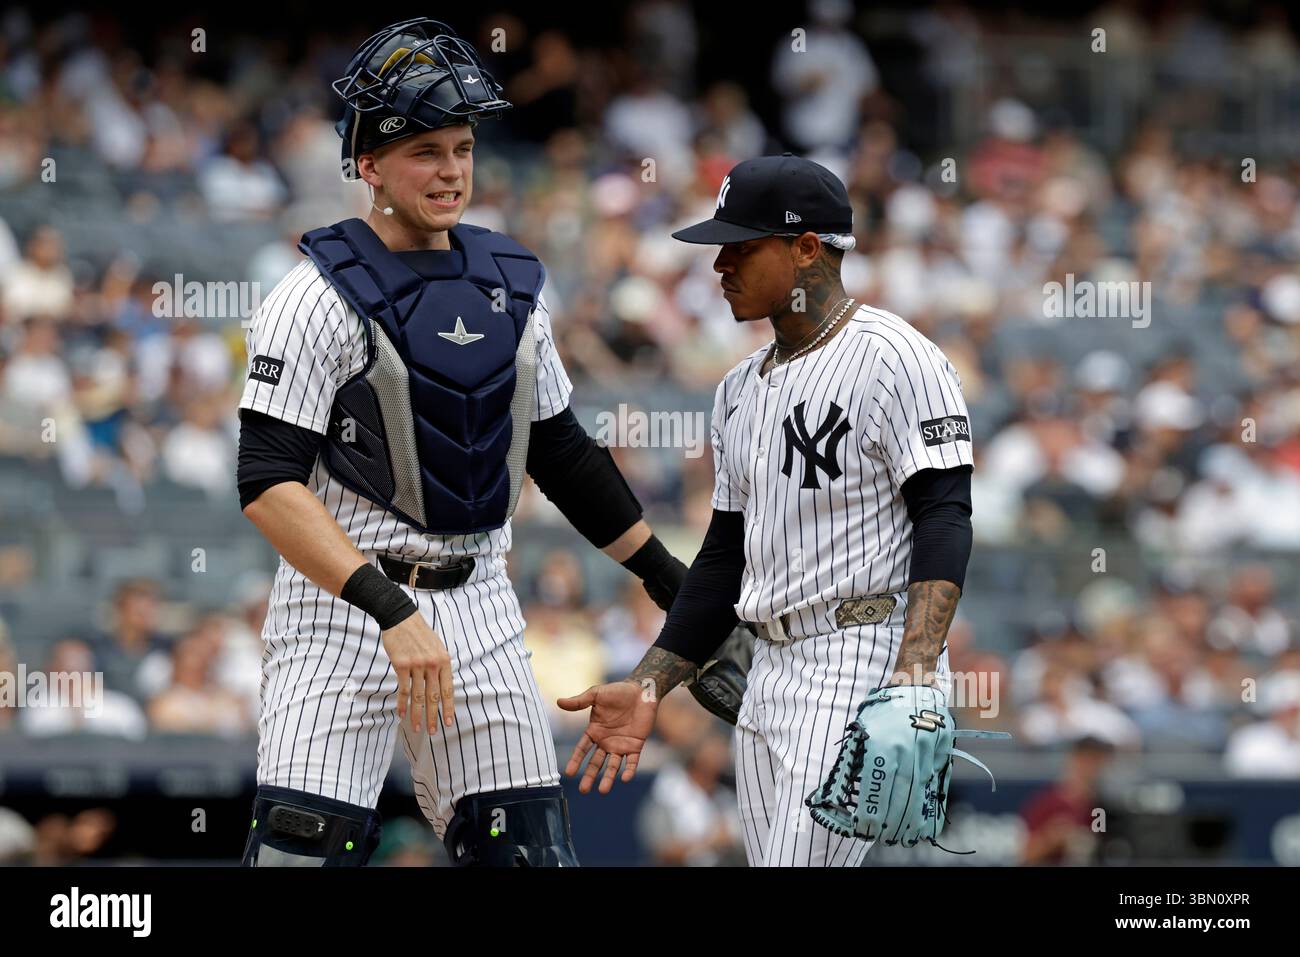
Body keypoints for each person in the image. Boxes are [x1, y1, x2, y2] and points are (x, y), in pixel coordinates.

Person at [235, 19, 686, 867]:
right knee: (301, 857)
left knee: (529, 856)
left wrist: (668, 577)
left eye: (463, 148)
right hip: (343, 607)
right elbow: (265, 481)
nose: (450, 171)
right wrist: (389, 608)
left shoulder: (510, 286)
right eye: (424, 151)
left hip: (479, 600)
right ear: (368, 163)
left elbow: (560, 451)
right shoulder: (311, 297)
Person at [560, 155, 977, 866]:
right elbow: (724, 559)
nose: (720, 264)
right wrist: (651, 683)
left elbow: (945, 514)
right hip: (768, 669)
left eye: (741, 245)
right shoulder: (737, 390)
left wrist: (915, 667)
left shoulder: (897, 357)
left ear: (807, 247)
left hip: (860, 654)